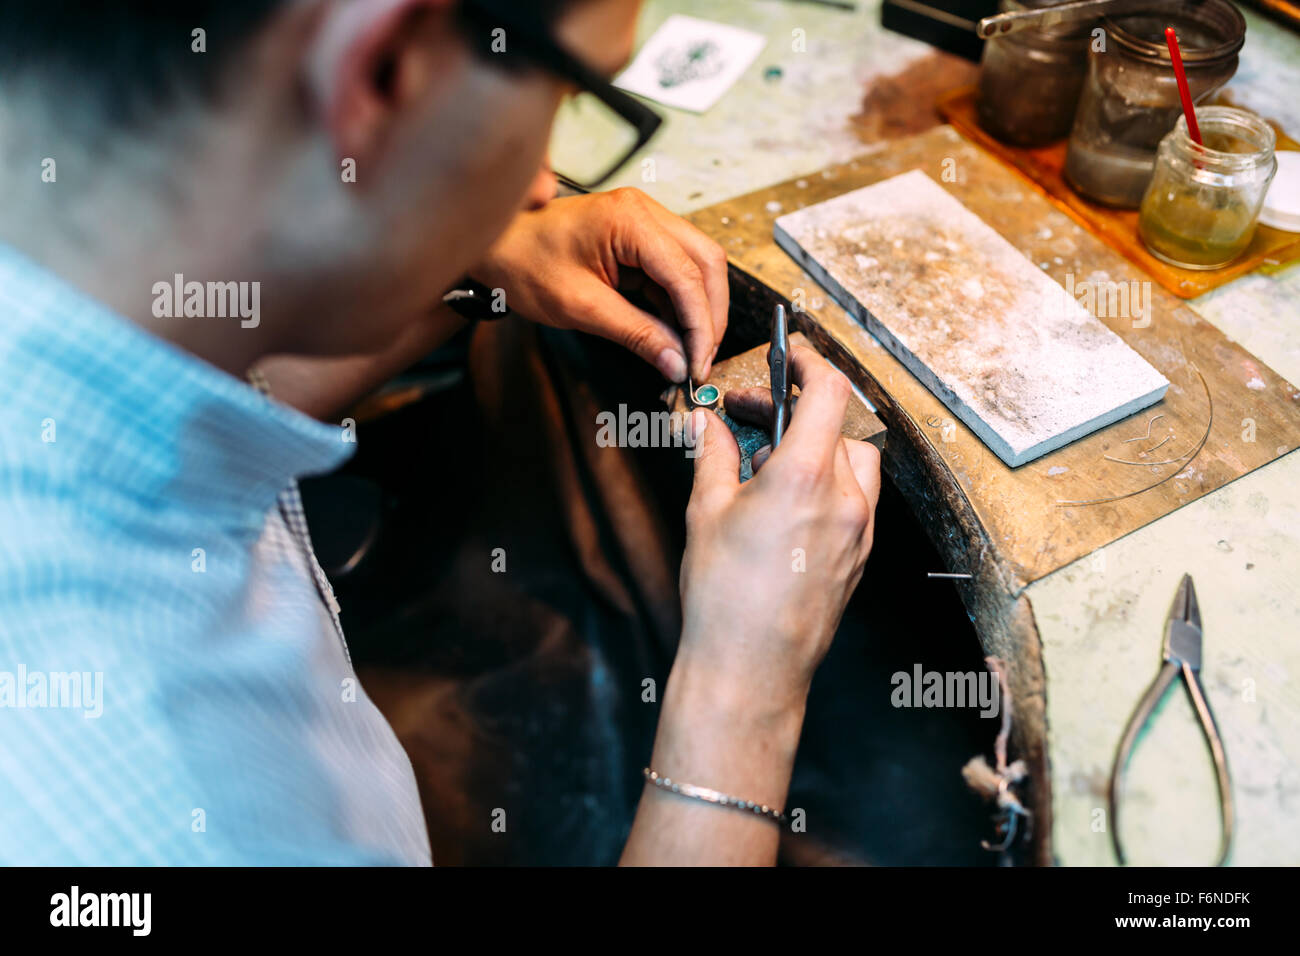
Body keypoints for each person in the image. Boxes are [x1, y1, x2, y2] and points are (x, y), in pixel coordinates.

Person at [0, 0, 879, 865]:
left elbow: (203, 411)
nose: (541, 186)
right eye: (566, 93)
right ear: (381, 70)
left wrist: (456, 261)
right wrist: (742, 688)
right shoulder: (166, 822)